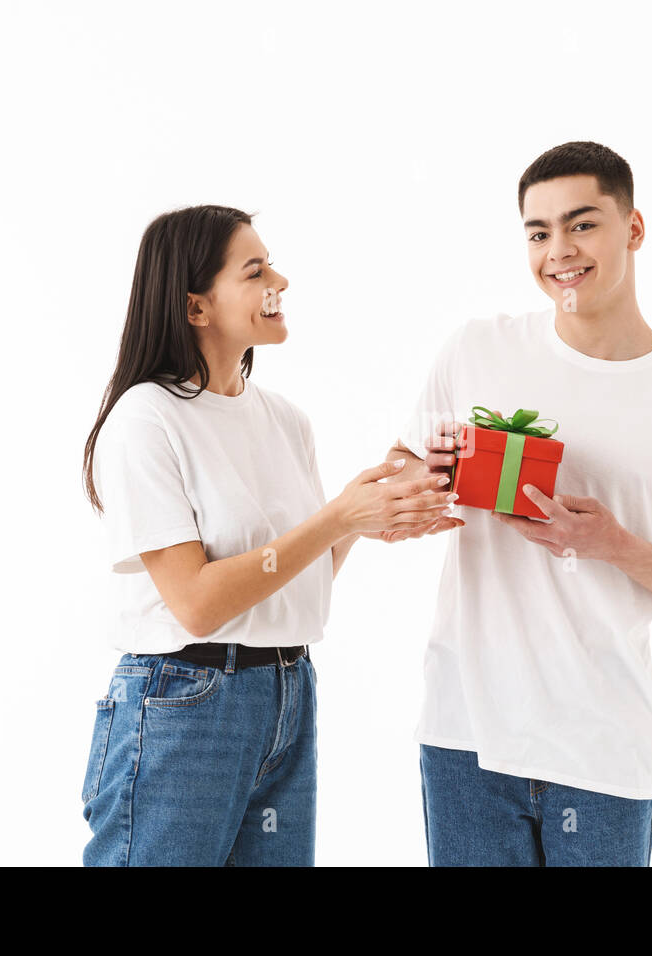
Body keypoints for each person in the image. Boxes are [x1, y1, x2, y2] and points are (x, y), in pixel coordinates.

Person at [383, 141, 652, 866]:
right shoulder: (476, 349)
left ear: (633, 228)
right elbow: (399, 471)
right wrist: (425, 480)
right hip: (465, 736)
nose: (558, 252)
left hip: (602, 752)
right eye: (538, 233)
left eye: (581, 224)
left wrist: (615, 545)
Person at [78, 204, 460, 866]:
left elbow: (287, 580)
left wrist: (365, 516)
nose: (279, 280)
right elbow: (197, 602)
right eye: (255, 271)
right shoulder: (145, 420)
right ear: (196, 307)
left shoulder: (286, 420)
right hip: (185, 701)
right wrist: (338, 518)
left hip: (286, 692)